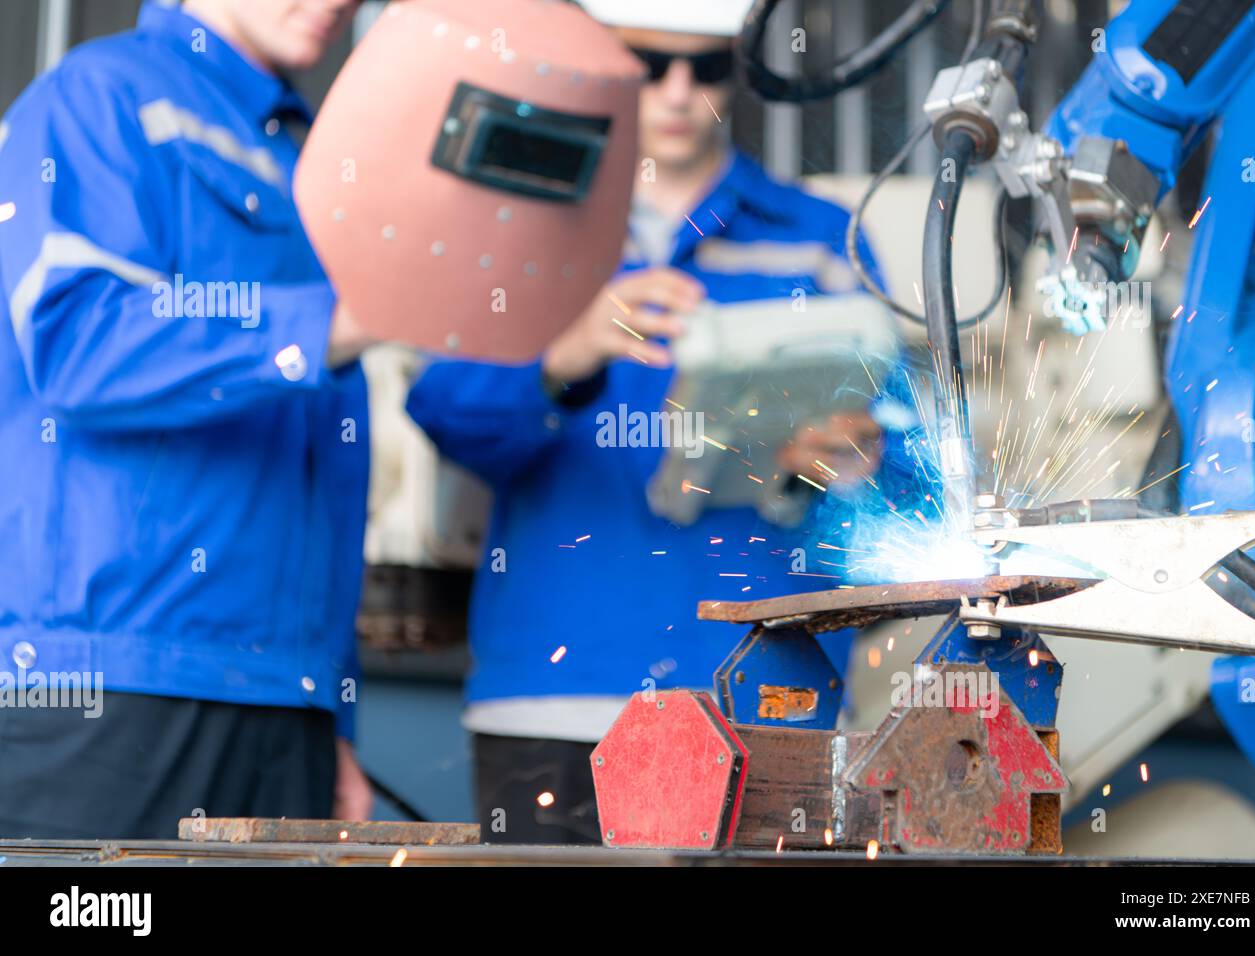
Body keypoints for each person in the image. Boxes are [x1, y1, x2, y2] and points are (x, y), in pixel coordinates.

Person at [405, 1, 914, 844]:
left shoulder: (823, 243)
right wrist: (564, 353)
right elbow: (446, 415)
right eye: (649, 63)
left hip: (769, 701)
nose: (680, 92)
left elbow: (909, 486)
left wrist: (853, 461)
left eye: (707, 67)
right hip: (561, 693)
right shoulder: (524, 232)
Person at [0, 0, 375, 839]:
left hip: (286, 699)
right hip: (112, 687)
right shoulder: (96, 96)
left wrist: (334, 718)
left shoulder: (319, 160)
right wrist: (325, 323)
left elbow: (327, 466)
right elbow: (74, 344)